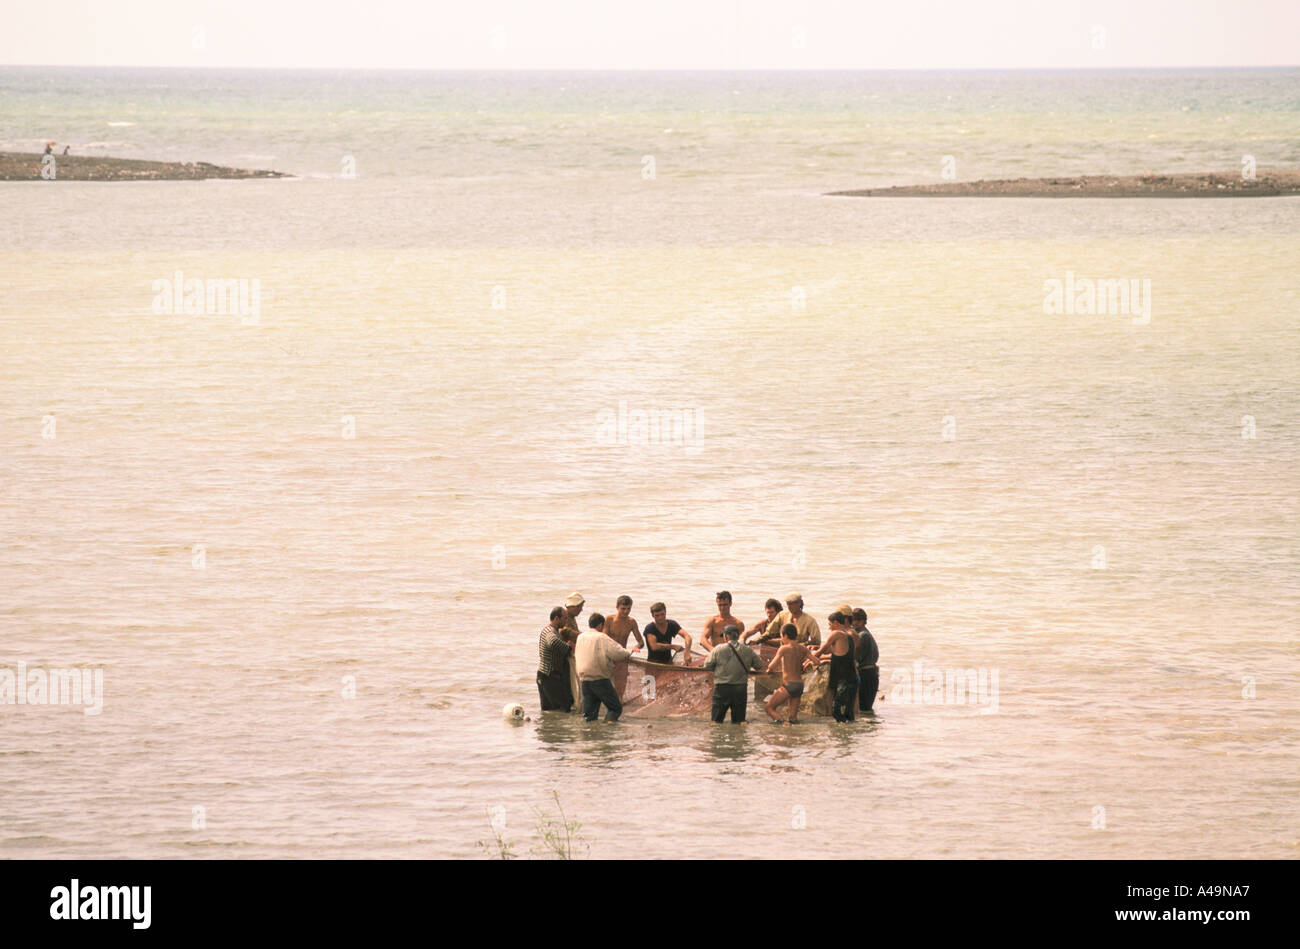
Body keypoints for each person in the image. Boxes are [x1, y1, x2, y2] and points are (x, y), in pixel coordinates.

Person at [576, 617, 633, 722]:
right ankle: (607, 730)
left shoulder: (580, 637)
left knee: (589, 715)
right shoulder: (601, 637)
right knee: (615, 708)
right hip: (599, 679)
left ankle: (590, 735)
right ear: (600, 625)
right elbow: (618, 653)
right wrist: (628, 653)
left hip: (584, 680)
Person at [703, 625, 763, 723]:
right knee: (739, 722)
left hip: (722, 689)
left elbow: (707, 666)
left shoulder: (718, 649)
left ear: (726, 637)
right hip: (740, 689)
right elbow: (759, 665)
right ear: (738, 636)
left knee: (716, 721)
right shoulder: (748, 650)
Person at [764, 624, 815, 723]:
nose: (782, 639)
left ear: (785, 635)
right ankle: (792, 735)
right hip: (799, 685)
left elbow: (771, 666)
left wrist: (769, 670)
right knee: (793, 718)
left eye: (781, 636)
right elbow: (816, 661)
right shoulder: (803, 648)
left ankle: (781, 723)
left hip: (788, 685)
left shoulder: (784, 648)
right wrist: (807, 663)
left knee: (769, 708)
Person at [813, 612, 858, 722]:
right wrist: (823, 660)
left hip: (844, 681)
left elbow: (819, 652)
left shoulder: (836, 634)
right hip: (851, 679)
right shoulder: (848, 636)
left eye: (829, 624)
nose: (829, 628)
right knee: (849, 715)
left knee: (837, 713)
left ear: (836, 623)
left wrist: (805, 658)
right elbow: (838, 655)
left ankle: (838, 736)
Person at [536, 606, 574, 712]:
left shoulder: (551, 630)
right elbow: (552, 641)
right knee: (562, 708)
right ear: (557, 619)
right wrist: (568, 647)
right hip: (549, 676)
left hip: (546, 675)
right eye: (565, 618)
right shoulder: (550, 632)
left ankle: (551, 728)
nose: (566, 621)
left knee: (550, 710)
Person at [852, 608, 880, 712]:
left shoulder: (862, 636)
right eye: (854, 620)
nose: (855, 623)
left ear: (863, 621)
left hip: (867, 674)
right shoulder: (863, 633)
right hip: (870, 673)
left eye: (858, 620)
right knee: (865, 708)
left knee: (864, 708)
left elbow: (856, 657)